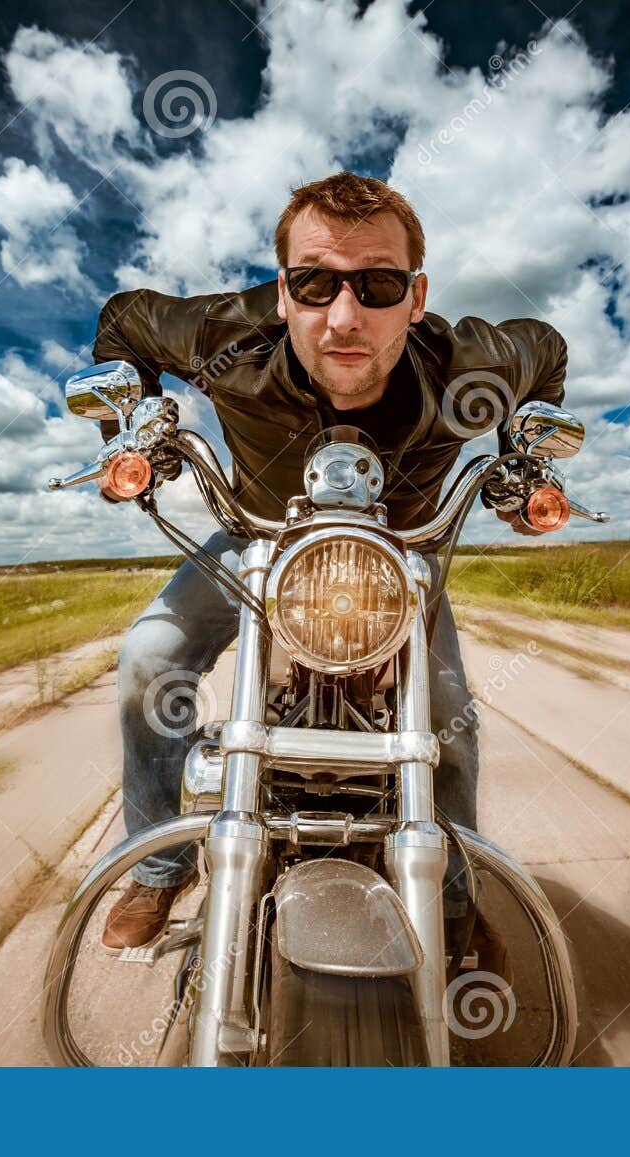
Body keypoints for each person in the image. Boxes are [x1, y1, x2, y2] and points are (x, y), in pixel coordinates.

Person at [89, 171, 568, 959]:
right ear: (283, 293)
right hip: (257, 544)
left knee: (449, 716)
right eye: (315, 283)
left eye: (378, 285)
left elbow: (546, 350)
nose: (344, 316)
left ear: (416, 297)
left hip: (400, 560)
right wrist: (138, 423)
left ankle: (451, 899)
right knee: (148, 656)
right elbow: (125, 320)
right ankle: (161, 865)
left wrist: (524, 457)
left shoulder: (470, 366)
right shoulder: (223, 338)